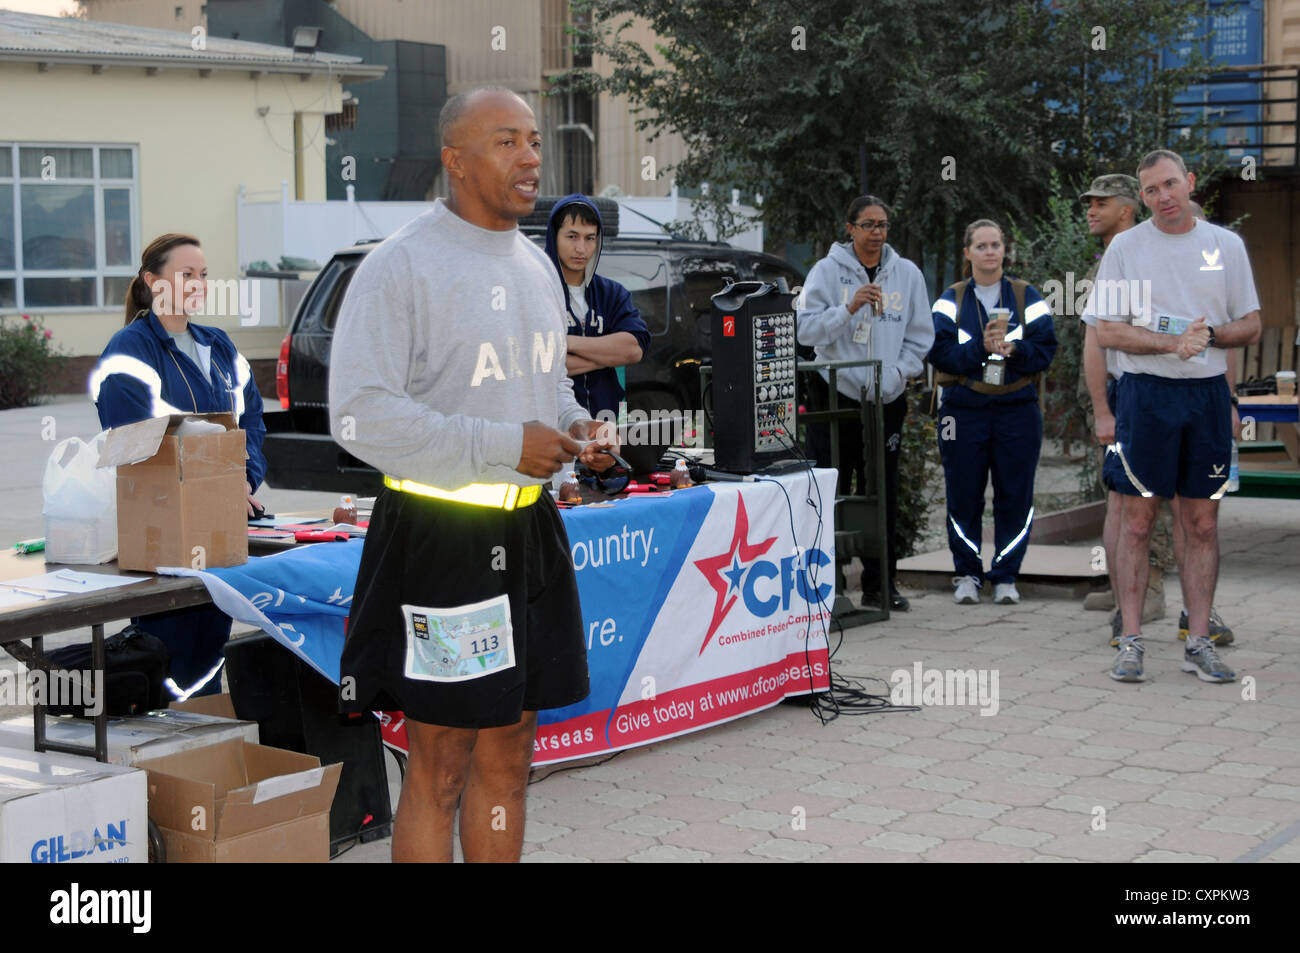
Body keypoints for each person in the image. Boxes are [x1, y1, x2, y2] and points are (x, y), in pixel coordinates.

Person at [329, 87, 615, 863]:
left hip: (528, 530)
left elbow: (545, 385)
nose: (531, 157)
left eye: (532, 140)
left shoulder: (534, 265)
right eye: (506, 142)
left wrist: (577, 426)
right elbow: (357, 416)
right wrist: (502, 442)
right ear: (456, 161)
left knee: (511, 756)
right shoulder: (401, 266)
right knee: (443, 763)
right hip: (442, 542)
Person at [1088, 149, 1260, 683]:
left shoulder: (1225, 245)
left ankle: (1200, 641)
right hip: (1145, 396)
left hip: (1206, 397)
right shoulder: (1126, 249)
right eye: (1150, 191)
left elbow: (1251, 323)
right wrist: (1171, 343)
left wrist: (1206, 338)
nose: (1162, 197)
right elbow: (1109, 331)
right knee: (1137, 521)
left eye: (1169, 185)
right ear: (1141, 198)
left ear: (1188, 183)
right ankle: (1132, 640)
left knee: (1202, 522)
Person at [88, 232, 267, 697]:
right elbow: (137, 442)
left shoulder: (220, 347)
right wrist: (215, 489)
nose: (199, 283)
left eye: (204, 275)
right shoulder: (130, 350)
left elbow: (251, 424)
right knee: (171, 661)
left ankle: (205, 745)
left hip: (223, 529)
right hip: (165, 534)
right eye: (186, 273)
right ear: (153, 281)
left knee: (210, 650)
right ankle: (173, 748)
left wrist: (240, 482)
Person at [797, 195, 934, 611]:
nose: (877, 233)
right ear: (850, 228)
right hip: (834, 392)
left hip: (885, 396)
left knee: (883, 489)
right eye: (868, 224)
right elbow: (804, 331)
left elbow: (920, 335)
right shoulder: (825, 271)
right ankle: (831, 586)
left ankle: (881, 584)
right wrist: (848, 307)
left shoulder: (906, 274)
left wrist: (897, 374)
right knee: (831, 488)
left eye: (883, 225)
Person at [929, 219, 1058, 605]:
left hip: (1017, 408)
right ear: (967, 253)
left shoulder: (1028, 296)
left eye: (996, 245)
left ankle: (1005, 576)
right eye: (981, 245)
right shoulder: (949, 300)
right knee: (963, 493)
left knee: (1015, 494)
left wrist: (1015, 351)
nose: (990, 252)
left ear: (1005, 250)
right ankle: (967, 574)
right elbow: (938, 352)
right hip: (962, 410)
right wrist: (980, 349)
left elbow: (1046, 350)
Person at [543, 194, 650, 420]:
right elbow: (538, 365)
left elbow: (632, 350)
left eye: (590, 238)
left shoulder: (612, 293)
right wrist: (607, 356)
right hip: (552, 426)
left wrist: (565, 343)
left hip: (603, 424)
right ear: (554, 236)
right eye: (572, 236)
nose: (581, 248)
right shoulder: (536, 292)